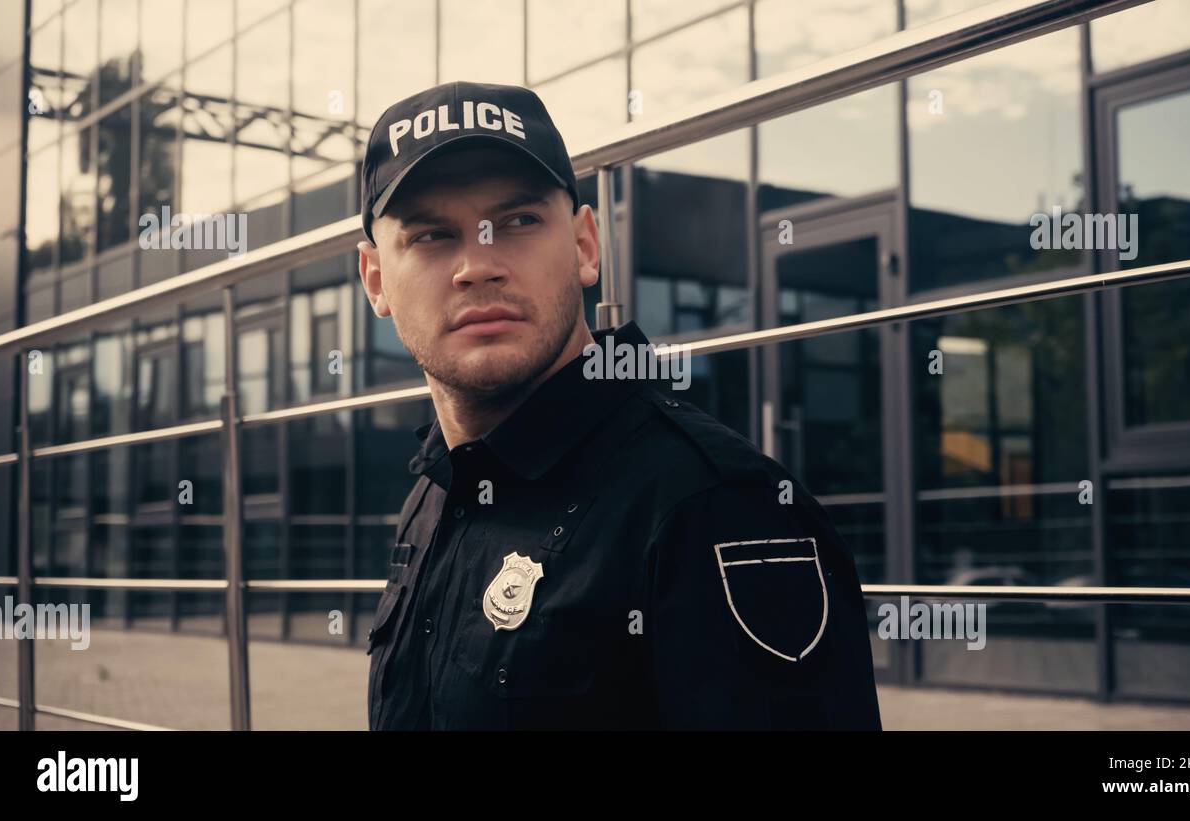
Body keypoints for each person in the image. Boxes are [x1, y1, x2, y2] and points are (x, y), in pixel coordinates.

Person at [356, 80, 882, 730]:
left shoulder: (714, 508)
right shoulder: (435, 492)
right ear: (376, 279)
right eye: (432, 236)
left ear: (584, 247)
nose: (478, 265)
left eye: (519, 221)